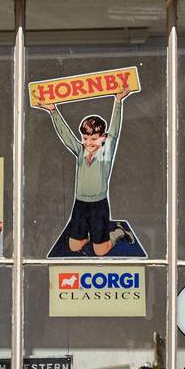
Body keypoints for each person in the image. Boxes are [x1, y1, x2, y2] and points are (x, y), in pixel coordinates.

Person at [42, 88, 136, 256]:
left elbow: (114, 130)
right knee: (74, 247)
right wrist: (53, 110)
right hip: (80, 204)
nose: (88, 142)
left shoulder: (105, 153)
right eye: (85, 138)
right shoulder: (80, 152)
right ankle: (91, 235)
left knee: (100, 251)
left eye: (93, 139)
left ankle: (119, 232)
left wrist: (118, 101)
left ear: (103, 137)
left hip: (98, 206)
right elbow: (66, 136)